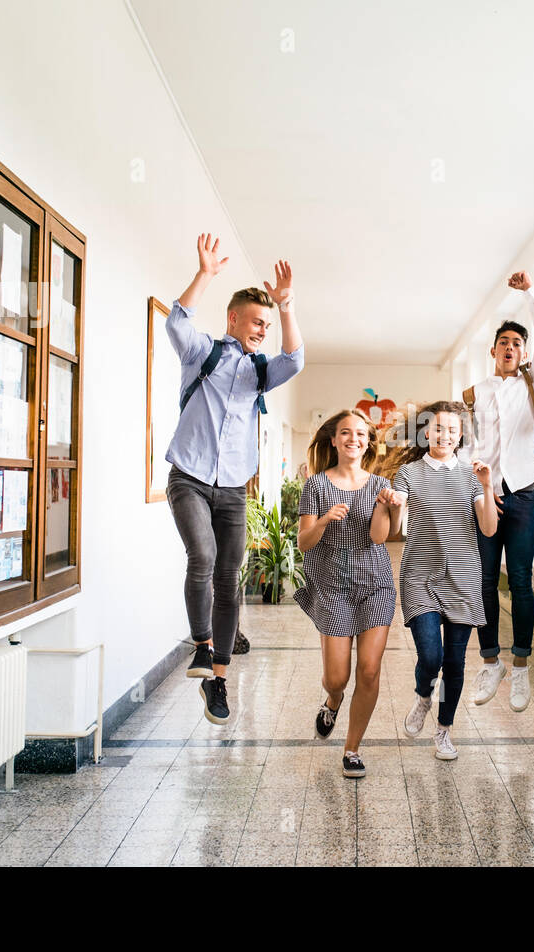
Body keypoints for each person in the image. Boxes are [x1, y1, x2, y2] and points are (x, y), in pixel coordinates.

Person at [164, 233, 304, 725]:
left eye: (266, 324)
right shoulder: (204, 353)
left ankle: (217, 682)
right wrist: (204, 274)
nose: (261, 330)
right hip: (189, 478)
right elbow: (176, 321)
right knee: (202, 555)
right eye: (256, 321)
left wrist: (285, 307)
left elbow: (296, 359)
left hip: (232, 490)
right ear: (233, 319)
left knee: (229, 576)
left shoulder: (260, 372)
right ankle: (201, 644)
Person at [379, 402, 497, 761]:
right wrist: (396, 504)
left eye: (452, 429)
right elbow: (395, 529)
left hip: (463, 576)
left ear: (460, 435)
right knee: (431, 656)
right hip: (420, 574)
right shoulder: (409, 473)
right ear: (426, 433)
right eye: (437, 428)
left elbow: (489, 528)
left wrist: (488, 487)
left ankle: (444, 730)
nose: (444, 434)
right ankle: (422, 695)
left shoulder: (470, 475)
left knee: (456, 663)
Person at [464, 271, 534, 712]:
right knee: (483, 581)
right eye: (504, 342)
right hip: (485, 495)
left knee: (519, 579)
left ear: (523, 353)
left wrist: (531, 294)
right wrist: (476, 483)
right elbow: (462, 444)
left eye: (517, 344)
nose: (510, 348)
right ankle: (490, 661)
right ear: (493, 349)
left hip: (521, 494)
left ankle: (520, 667)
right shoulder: (474, 394)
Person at [295, 409, 397, 778]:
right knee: (338, 677)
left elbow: (379, 537)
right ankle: (332, 700)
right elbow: (305, 543)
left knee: (369, 671)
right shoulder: (316, 486)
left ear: (369, 442)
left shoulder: (379, 485)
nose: (353, 438)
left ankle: (352, 748)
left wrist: (389, 508)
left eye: (360, 434)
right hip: (332, 585)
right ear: (334, 441)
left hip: (376, 585)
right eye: (345, 433)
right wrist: (323, 520)